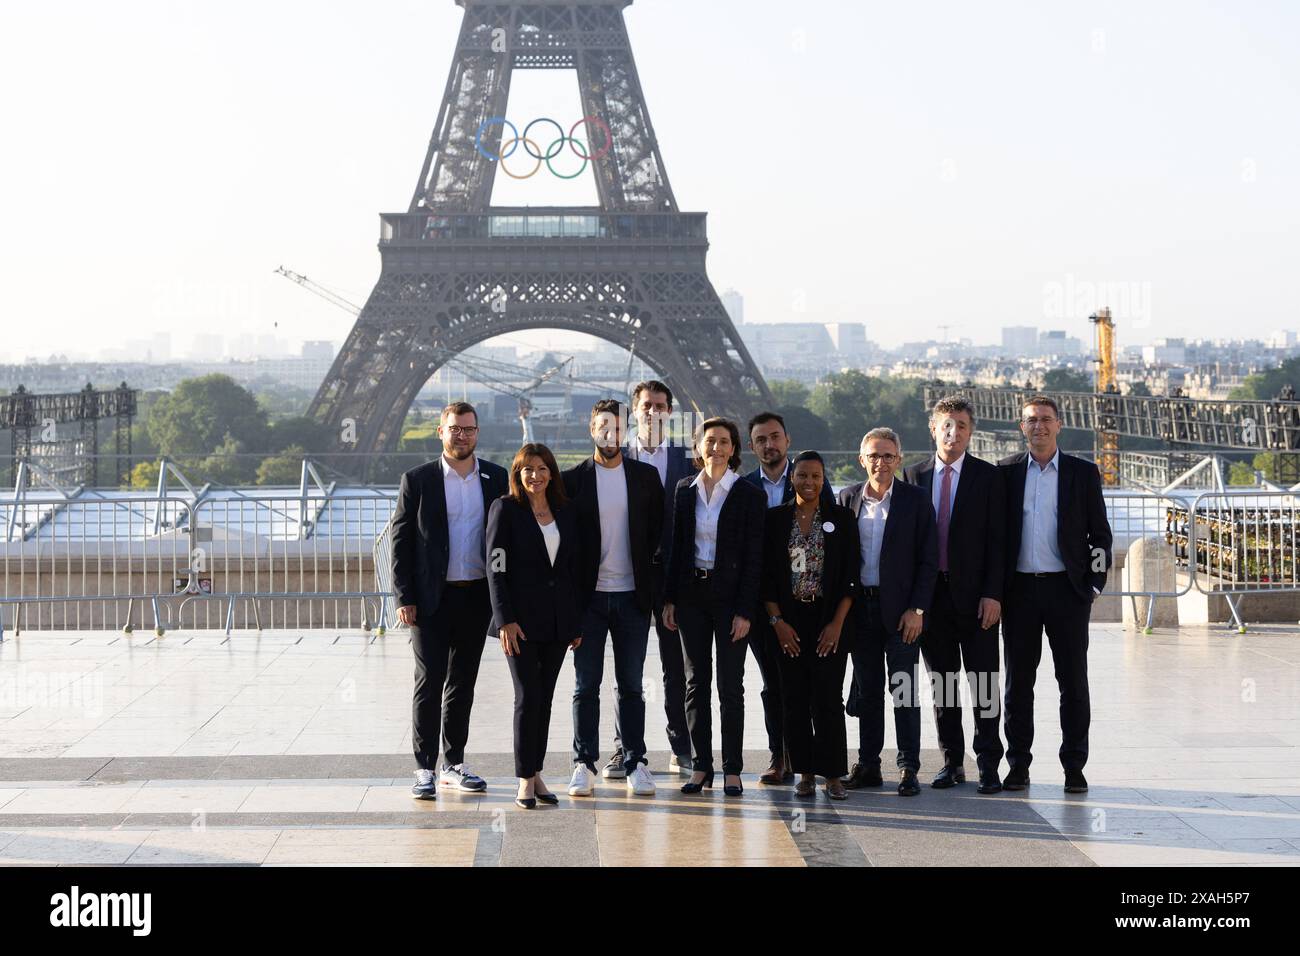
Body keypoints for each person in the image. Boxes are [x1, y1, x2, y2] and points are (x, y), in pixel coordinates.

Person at [391, 401, 509, 800]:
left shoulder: (496, 477)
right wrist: (404, 596)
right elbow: (401, 542)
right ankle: (424, 767)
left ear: (478, 433)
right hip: (429, 600)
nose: (462, 435)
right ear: (440, 432)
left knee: (463, 683)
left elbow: (508, 538)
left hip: (476, 596)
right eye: (454, 429)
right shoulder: (418, 479)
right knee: (429, 682)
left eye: (469, 429)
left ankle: (453, 762)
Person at [998, 396, 1113, 794]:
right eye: (1031, 420)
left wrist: (1093, 587)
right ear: (1021, 427)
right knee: (1017, 685)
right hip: (1019, 592)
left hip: (1067, 591)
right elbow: (995, 537)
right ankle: (1018, 765)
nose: (1039, 427)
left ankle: (1074, 767)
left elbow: (1100, 537)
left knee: (1073, 683)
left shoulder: (1083, 473)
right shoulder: (1006, 472)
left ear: (1059, 425)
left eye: (1046, 420)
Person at [903, 397, 1007, 794]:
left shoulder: (988, 477)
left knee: (983, 683)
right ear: (933, 429)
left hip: (977, 599)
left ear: (970, 432)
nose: (954, 432)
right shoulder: (912, 477)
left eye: (961, 426)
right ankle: (952, 761)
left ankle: (988, 764)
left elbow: (999, 542)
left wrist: (993, 594)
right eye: (947, 425)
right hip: (931, 601)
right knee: (942, 684)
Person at [563, 400, 664, 797]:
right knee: (585, 685)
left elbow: (657, 537)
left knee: (632, 686)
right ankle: (583, 763)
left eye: (618, 427)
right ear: (592, 429)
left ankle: (635, 760)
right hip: (589, 601)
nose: (611, 434)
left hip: (631, 598)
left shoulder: (644, 478)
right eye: (603, 426)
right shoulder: (571, 482)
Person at [662, 417, 765, 796]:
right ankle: (701, 766)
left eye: (724, 442)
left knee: (730, 686)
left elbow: (755, 559)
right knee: (694, 683)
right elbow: (676, 548)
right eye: (710, 441)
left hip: (730, 602)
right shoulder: (684, 490)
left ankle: (733, 768)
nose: (716, 448)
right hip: (691, 598)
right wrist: (670, 599)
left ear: (734, 449)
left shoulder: (748, 494)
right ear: (698, 447)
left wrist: (745, 611)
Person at [839, 428, 938, 797]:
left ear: (899, 460)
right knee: (868, 693)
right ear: (861, 459)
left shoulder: (915, 500)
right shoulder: (848, 498)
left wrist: (917, 609)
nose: (881, 462)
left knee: (904, 692)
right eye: (874, 455)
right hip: (859, 610)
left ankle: (908, 767)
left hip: (901, 613)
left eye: (889, 456)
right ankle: (868, 765)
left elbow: (929, 560)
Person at [486, 443, 583, 809]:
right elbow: (495, 568)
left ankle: (537, 771)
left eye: (542, 469)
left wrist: (574, 621)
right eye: (528, 469)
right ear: (517, 474)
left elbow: (574, 569)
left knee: (544, 699)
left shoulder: (566, 511)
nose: (535, 476)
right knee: (527, 697)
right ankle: (525, 778)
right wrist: (504, 620)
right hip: (520, 624)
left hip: (558, 622)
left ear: (552, 473)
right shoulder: (505, 509)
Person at [743, 412, 835, 785]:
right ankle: (779, 755)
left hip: (806, 600)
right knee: (773, 683)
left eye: (775, 437)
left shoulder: (809, 480)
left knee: (811, 686)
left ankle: (812, 762)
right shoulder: (744, 487)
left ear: (787, 440)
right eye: (761, 439)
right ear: (752, 447)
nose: (770, 444)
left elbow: (832, 538)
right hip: (760, 602)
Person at [761, 451, 858, 800]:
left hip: (829, 620)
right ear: (792, 478)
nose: (809, 482)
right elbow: (767, 579)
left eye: (816, 476)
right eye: (803, 475)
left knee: (829, 698)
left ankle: (832, 775)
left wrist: (836, 625)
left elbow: (850, 578)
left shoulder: (841, 519)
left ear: (824, 479)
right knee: (794, 699)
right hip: (788, 621)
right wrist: (778, 623)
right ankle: (803, 772)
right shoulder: (775, 520)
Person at [622, 380, 698, 775]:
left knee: (675, 668)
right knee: (626, 667)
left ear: (670, 412)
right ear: (633, 411)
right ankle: (625, 748)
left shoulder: (689, 458)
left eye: (660, 405)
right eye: (646, 405)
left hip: (672, 577)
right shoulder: (614, 456)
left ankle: (680, 745)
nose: (653, 411)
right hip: (627, 574)